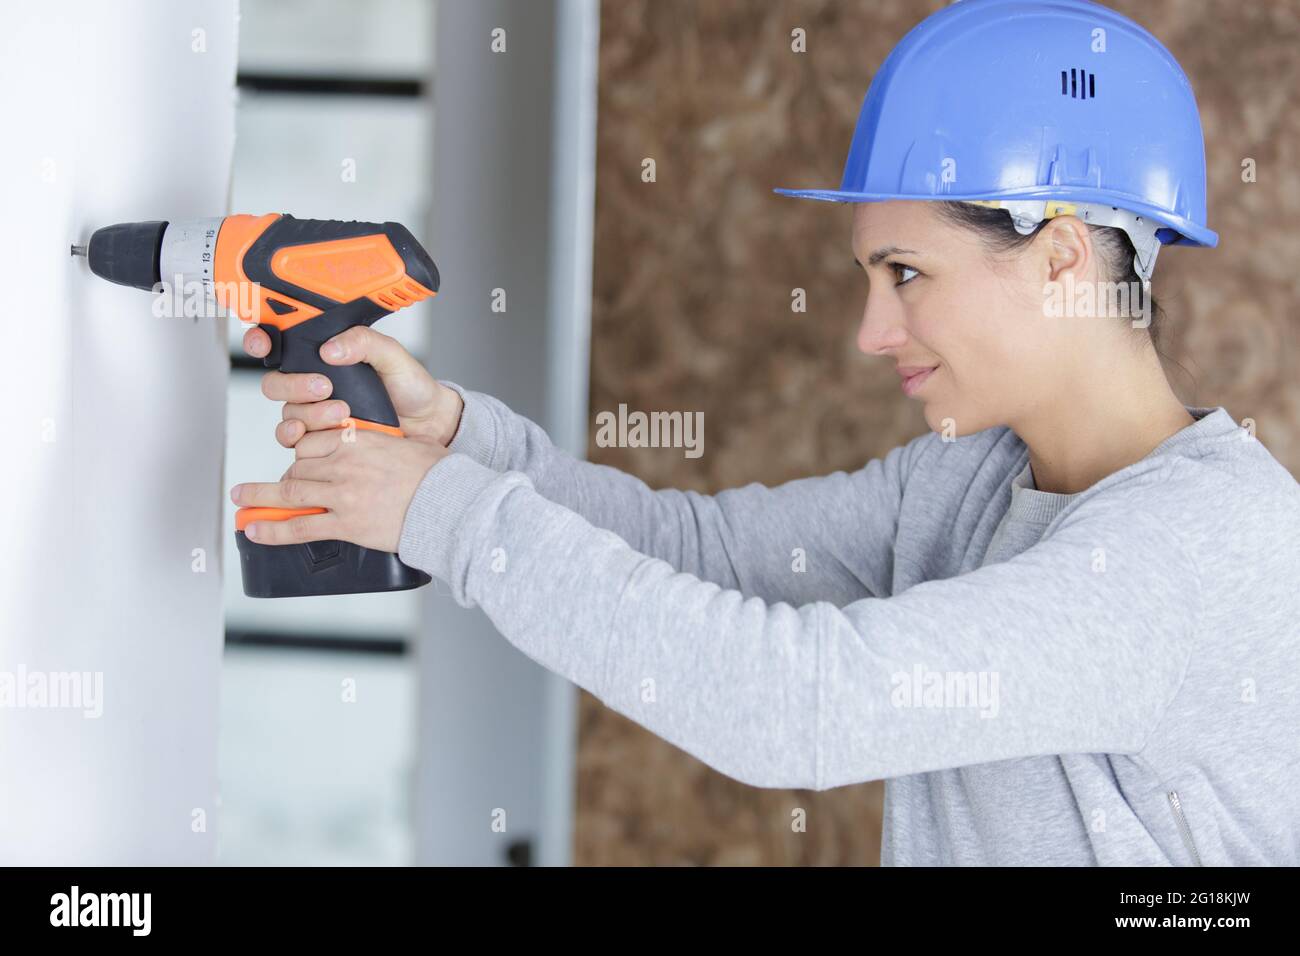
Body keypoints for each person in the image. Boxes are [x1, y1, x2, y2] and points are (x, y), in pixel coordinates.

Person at [229, 0, 1300, 865]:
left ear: (1061, 259)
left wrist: (442, 513)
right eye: (868, 276)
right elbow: (702, 552)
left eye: (907, 274)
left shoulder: (1191, 552)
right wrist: (464, 442)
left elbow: (800, 705)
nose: (872, 330)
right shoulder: (972, 478)